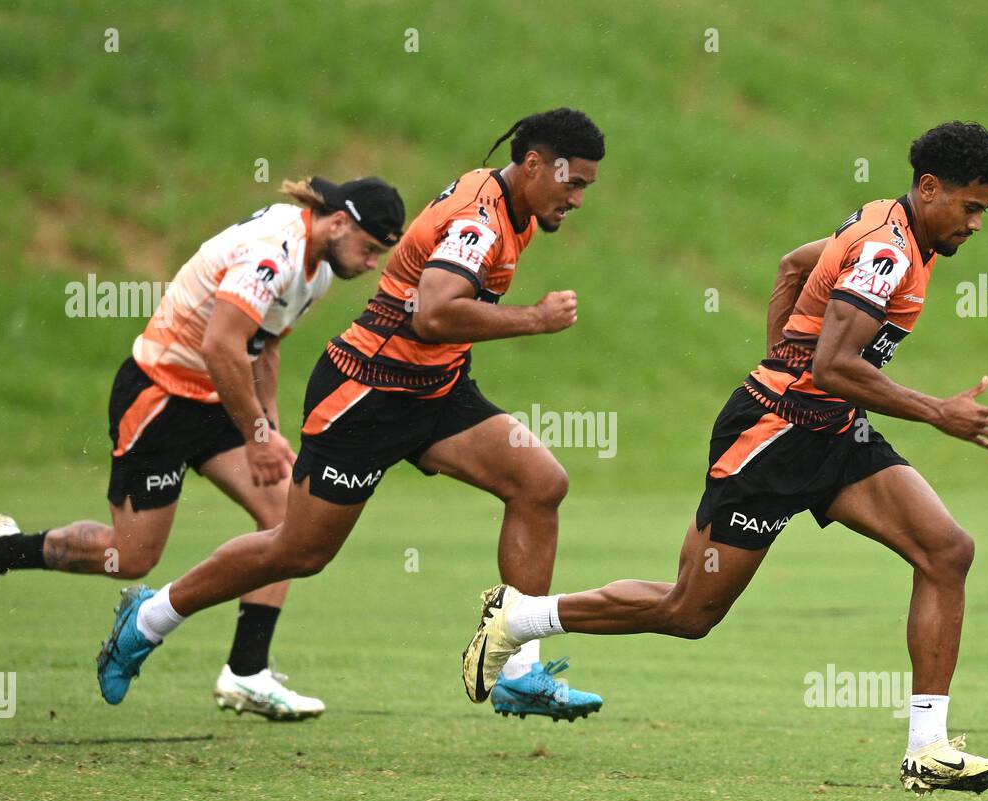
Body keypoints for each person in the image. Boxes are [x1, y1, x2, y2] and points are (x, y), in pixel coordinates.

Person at [464, 121, 988, 792]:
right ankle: (519, 617)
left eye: (984, 209)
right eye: (971, 206)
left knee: (946, 551)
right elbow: (837, 362)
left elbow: (792, 267)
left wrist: (781, 362)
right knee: (687, 612)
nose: (977, 223)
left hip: (834, 433)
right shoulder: (887, 252)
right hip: (773, 440)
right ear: (930, 189)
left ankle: (927, 749)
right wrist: (937, 411)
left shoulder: (888, 222)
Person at [97, 108, 608, 721]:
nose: (577, 198)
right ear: (533, 165)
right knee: (298, 552)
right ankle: (150, 618)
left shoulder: (511, 204)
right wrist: (534, 318)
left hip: (435, 388)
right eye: (572, 182)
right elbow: (433, 314)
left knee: (540, 483)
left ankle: (518, 669)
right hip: (366, 394)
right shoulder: (479, 217)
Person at [0, 176, 403, 719]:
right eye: (370, 248)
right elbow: (220, 344)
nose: (372, 263)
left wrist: (269, 432)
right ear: (340, 223)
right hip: (160, 394)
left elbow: (264, 349)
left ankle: (246, 672)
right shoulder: (273, 255)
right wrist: (255, 435)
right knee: (131, 556)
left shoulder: (318, 267)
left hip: (220, 396)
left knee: (285, 517)